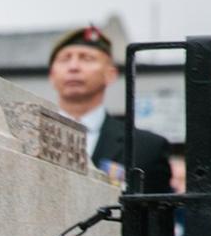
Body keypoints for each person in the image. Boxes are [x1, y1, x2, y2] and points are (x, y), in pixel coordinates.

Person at [47, 25, 175, 191]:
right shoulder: (29, 135)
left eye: (87, 58)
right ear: (52, 75)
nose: (74, 67)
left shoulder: (145, 148)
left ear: (110, 74)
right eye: (65, 59)